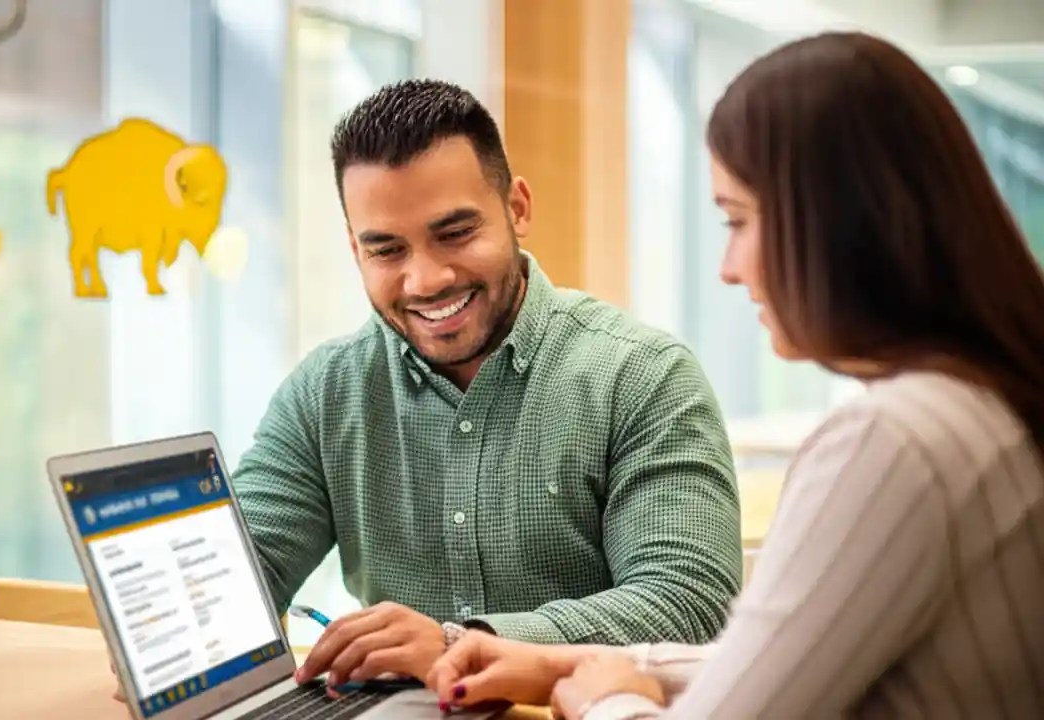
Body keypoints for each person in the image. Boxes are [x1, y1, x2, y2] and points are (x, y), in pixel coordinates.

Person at [426, 31, 1044, 719]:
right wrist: (574, 662)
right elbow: (786, 649)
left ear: (838, 226)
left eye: (739, 221)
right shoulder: (982, 403)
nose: (729, 267)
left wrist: (609, 704)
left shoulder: (894, 440)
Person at [232, 78, 742, 691]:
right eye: (387, 250)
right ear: (355, 250)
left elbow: (689, 607)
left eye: (455, 234)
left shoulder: (643, 375)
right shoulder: (324, 393)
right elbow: (243, 577)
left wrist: (458, 645)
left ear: (517, 208)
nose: (425, 279)